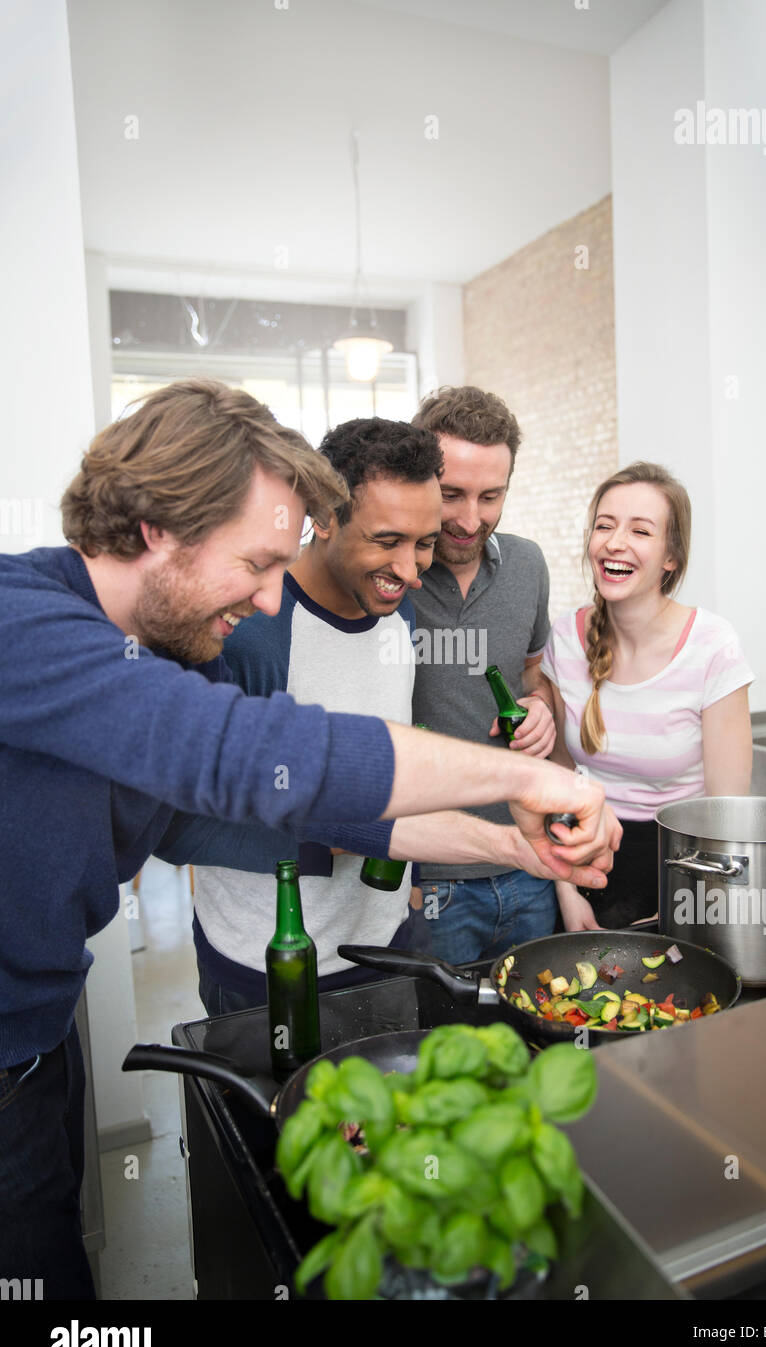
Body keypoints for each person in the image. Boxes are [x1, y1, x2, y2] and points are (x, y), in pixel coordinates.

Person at [0, 378, 617, 1299]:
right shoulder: (25, 623)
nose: (265, 597)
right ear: (163, 527)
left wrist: (516, 848)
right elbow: (256, 754)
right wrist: (532, 776)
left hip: (39, 1035)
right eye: (254, 564)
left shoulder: (149, 643)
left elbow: (323, 807)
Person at [171, 418, 606, 1012]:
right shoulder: (253, 631)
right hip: (268, 963)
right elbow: (217, 813)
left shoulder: (396, 614)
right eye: (387, 540)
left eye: (424, 543)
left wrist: (515, 848)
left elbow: (388, 777)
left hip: (383, 949)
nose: (409, 570)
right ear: (322, 516)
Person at [541, 461, 754, 931]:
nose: (615, 543)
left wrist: (691, 898)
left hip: (685, 866)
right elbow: (554, 778)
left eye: (640, 531)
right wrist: (568, 890)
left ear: (671, 557)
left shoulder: (713, 645)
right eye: (604, 526)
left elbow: (728, 812)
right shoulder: (566, 639)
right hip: (586, 864)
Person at [409, 386, 565, 964]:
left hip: (529, 863)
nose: (470, 519)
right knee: (448, 1048)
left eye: (491, 496)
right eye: (451, 495)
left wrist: (543, 709)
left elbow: (532, 678)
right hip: (428, 882)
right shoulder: (390, 577)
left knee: (536, 1039)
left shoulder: (527, 564)